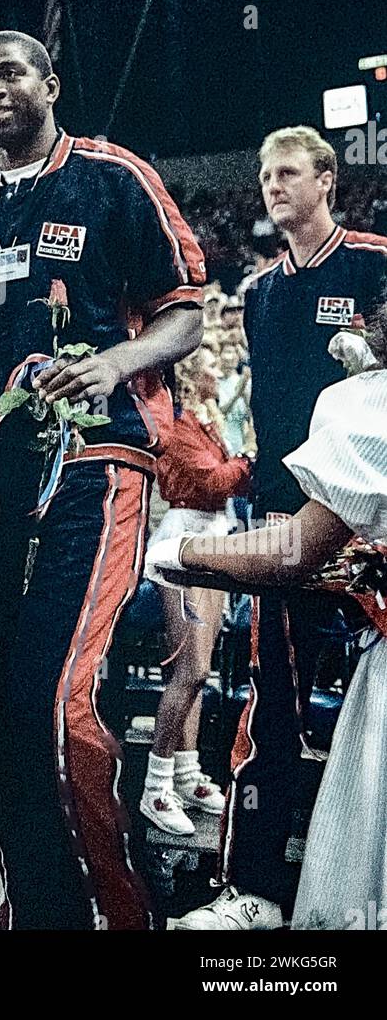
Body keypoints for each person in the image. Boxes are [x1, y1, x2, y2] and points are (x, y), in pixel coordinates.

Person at [0, 31, 205, 930]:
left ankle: (112, 913)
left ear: (50, 84)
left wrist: (115, 363)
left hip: (97, 459)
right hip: (1, 469)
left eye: (9, 73)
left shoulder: (114, 177)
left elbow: (184, 315)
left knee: (59, 696)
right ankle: (31, 901)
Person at [172, 125, 387, 929]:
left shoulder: (376, 262)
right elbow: (269, 422)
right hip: (285, 522)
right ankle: (255, 889)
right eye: (264, 174)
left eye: (288, 171)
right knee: (273, 704)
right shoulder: (259, 291)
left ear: (327, 178)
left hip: (370, 525)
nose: (272, 185)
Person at [140, 359, 250, 835]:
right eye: (210, 364)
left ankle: (185, 773)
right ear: (188, 375)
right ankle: (154, 786)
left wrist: (237, 462)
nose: (219, 367)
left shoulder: (202, 421)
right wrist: (247, 460)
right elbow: (213, 483)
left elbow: (224, 479)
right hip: (183, 544)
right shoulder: (178, 425)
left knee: (199, 672)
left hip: (210, 539)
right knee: (189, 671)